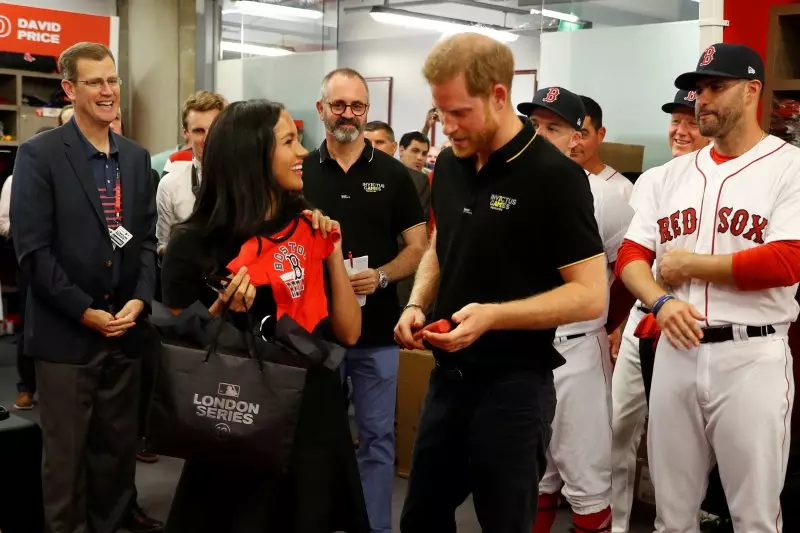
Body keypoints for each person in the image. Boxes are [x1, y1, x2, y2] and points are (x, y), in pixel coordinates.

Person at [394, 33, 608, 533]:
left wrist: (493, 315)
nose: (448, 128)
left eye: (460, 113)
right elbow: (441, 245)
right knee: (421, 517)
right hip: (448, 379)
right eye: (439, 113)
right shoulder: (448, 165)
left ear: (498, 95)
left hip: (515, 385)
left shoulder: (554, 176)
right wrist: (417, 304)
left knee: (503, 522)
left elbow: (590, 293)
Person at [160, 98, 369, 533]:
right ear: (251, 153)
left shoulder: (307, 223)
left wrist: (329, 249)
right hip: (239, 427)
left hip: (314, 420)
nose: (302, 153)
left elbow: (349, 332)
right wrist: (222, 309)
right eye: (289, 141)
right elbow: (183, 358)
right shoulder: (193, 244)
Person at [615, 43, 800, 533]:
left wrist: (692, 264)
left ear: (753, 90)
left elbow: (788, 260)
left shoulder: (789, 166)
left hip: (752, 355)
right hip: (676, 352)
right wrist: (659, 300)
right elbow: (632, 258)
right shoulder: (666, 176)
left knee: (755, 516)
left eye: (718, 87)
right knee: (671, 516)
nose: (703, 99)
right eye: (700, 88)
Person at [10, 42, 158, 533]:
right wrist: (85, 311)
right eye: (95, 82)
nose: (107, 90)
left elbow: (144, 241)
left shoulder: (136, 160)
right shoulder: (39, 155)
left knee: (115, 458)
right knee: (66, 461)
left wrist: (138, 299)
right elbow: (33, 253)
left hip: (125, 333)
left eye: (112, 80)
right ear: (70, 89)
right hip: (66, 337)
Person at [302, 68, 427, 533]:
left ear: (367, 111)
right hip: (314, 334)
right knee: (317, 438)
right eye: (338, 105)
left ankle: (374, 526)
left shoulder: (395, 175)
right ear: (322, 110)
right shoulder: (301, 171)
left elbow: (419, 247)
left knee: (377, 437)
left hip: (377, 334)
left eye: (357, 106)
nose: (347, 115)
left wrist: (380, 276)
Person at [519, 86, 633, 533]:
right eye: (535, 126)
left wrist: (611, 322)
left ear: (578, 136)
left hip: (577, 348)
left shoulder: (604, 196)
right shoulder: (508, 186)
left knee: (586, 480)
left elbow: (628, 266)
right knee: (535, 476)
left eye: (554, 128)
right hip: (524, 345)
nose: (541, 136)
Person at [609, 88, 710, 533]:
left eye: (691, 122)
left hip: (693, 324)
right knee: (617, 427)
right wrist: (619, 323)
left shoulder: (724, 182)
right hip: (643, 315)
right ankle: (614, 523)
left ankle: (687, 516)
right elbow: (630, 258)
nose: (681, 130)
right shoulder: (653, 179)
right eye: (675, 120)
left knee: (686, 442)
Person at [0, 126, 53, 411]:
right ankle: (26, 387)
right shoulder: (14, 180)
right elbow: (3, 222)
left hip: (59, 263)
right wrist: (28, 231)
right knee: (28, 327)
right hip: (29, 262)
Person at [156, 91, 227, 253]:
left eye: (214, 129)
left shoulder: (245, 181)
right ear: (185, 133)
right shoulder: (170, 185)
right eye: (199, 131)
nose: (207, 139)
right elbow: (161, 247)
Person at [571, 95, 633, 202]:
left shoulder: (623, 189)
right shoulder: (554, 180)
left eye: (582, 134)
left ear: (600, 135)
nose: (572, 143)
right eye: (568, 133)